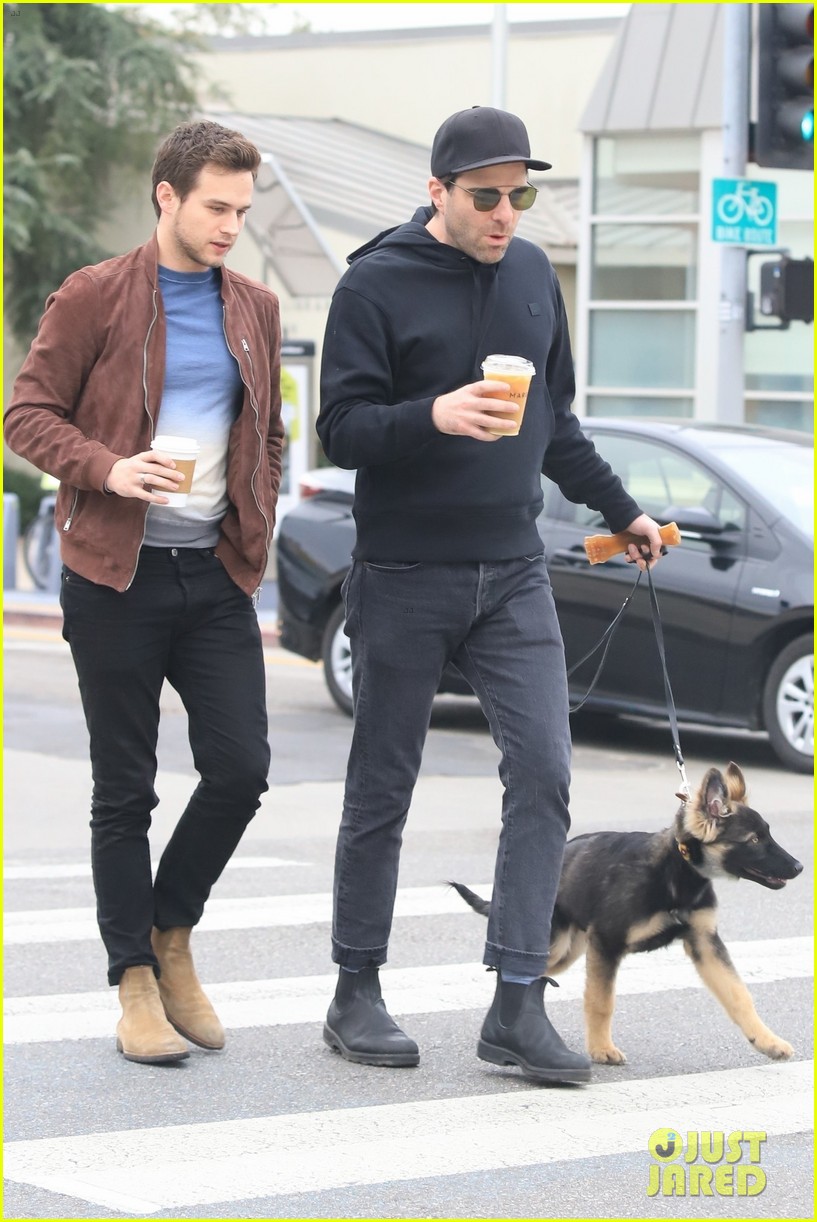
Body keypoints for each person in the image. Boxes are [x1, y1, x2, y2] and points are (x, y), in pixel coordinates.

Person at [316, 106, 664, 1083]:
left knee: (544, 775)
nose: (506, 211)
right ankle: (355, 988)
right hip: (405, 572)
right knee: (381, 788)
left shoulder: (529, 277)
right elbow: (337, 428)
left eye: (521, 193)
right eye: (485, 196)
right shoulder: (374, 284)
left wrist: (623, 509)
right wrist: (432, 413)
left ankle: (515, 998)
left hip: (512, 570)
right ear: (438, 192)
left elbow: (554, 425)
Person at [4, 120, 284, 1065]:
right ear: (165, 195)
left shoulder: (254, 305)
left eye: (242, 211)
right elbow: (25, 414)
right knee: (124, 789)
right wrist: (108, 469)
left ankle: (171, 935)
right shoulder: (95, 295)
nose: (229, 227)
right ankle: (133, 982)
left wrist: (255, 526)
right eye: (216, 207)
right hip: (113, 576)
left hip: (211, 573)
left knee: (240, 769)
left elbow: (269, 434)